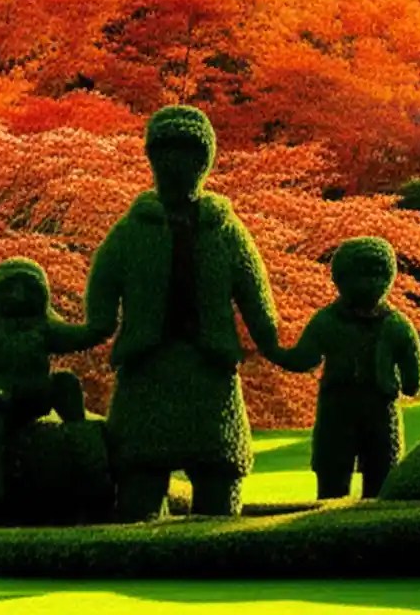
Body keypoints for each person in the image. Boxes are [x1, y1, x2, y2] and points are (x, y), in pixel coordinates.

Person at [82, 105, 281, 520]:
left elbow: (256, 299)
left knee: (219, 480)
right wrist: (73, 331)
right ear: (152, 157)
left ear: (205, 158)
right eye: (166, 151)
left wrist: (280, 346)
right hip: (146, 366)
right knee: (138, 485)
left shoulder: (225, 229)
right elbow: (100, 299)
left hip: (210, 367)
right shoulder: (132, 229)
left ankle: (216, 563)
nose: (176, 162)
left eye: (188, 151)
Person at [268, 237, 420, 499]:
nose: (370, 282)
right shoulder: (328, 322)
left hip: (379, 409)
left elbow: (412, 377)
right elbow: (303, 358)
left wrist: (409, 379)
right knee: (332, 476)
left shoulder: (395, 324)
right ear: (342, 277)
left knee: (382, 475)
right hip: (337, 409)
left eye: (376, 273)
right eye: (361, 274)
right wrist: (270, 348)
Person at [0, 257, 92, 502]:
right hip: (1, 392)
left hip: (38, 391)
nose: (19, 295)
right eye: (11, 288)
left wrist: (98, 327)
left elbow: (74, 337)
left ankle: (85, 453)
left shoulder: (45, 324)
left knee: (66, 384)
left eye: (27, 288)